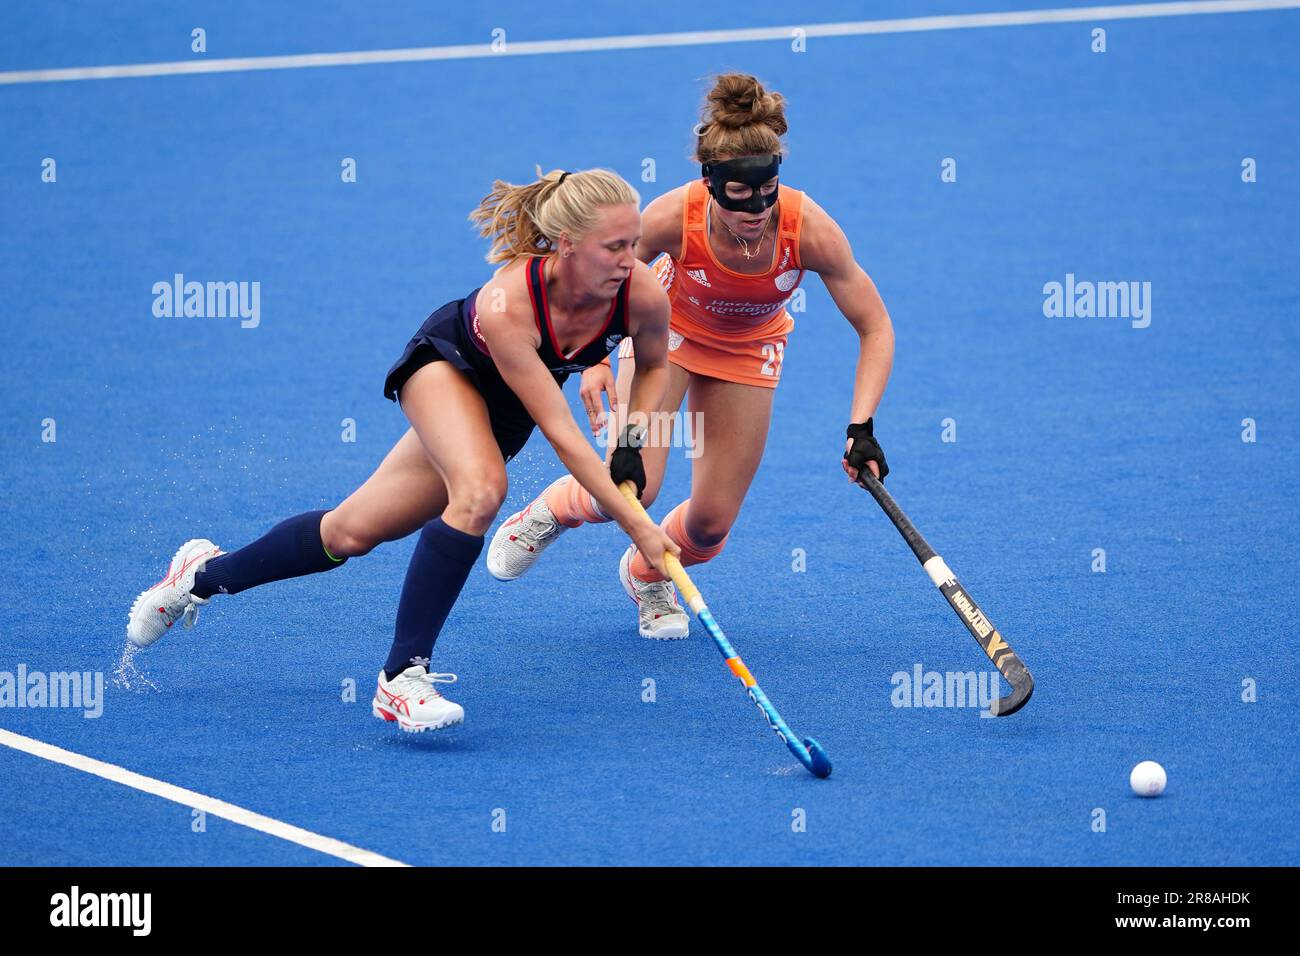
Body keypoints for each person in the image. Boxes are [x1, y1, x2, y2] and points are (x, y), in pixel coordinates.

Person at [125, 168, 679, 732]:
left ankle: (199, 577)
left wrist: (632, 442)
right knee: (482, 490)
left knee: (349, 534)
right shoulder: (509, 304)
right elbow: (561, 431)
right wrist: (637, 525)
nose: (628, 259)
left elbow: (655, 365)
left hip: (504, 410)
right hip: (447, 367)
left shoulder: (640, 292)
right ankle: (402, 678)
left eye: (633, 244)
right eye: (614, 246)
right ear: (566, 245)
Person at [487, 74, 894, 640]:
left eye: (767, 189)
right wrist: (599, 360)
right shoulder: (671, 216)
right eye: (738, 193)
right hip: (665, 340)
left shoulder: (812, 230)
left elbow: (874, 326)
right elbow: (601, 279)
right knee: (635, 487)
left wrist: (861, 425)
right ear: (710, 181)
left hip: (749, 351)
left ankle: (645, 572)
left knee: (709, 526)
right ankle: (552, 509)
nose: (756, 207)